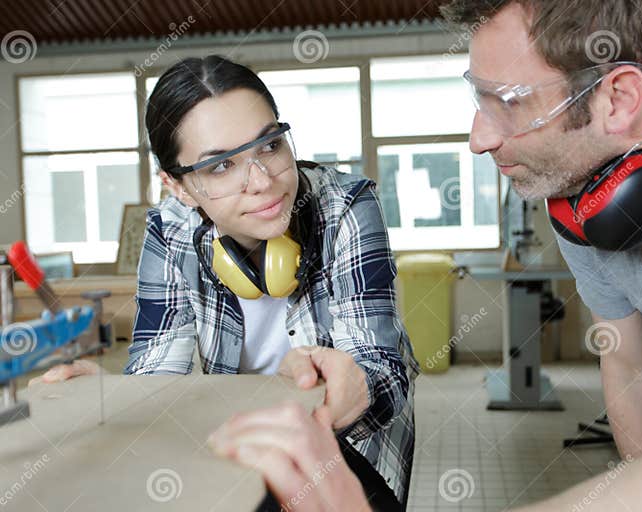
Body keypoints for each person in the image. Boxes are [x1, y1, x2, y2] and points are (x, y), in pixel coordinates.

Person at [209, 1, 642, 510]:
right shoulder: (583, 196)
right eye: (480, 98)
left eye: (508, 103)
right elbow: (629, 367)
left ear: (619, 97)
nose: (478, 138)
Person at [31, 55, 418, 510]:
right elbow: (159, 368)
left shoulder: (346, 204)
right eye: (220, 166)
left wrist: (357, 386)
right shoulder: (169, 230)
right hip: (240, 431)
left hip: (353, 442)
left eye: (270, 146)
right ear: (177, 185)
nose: (262, 182)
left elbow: (383, 368)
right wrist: (117, 400)